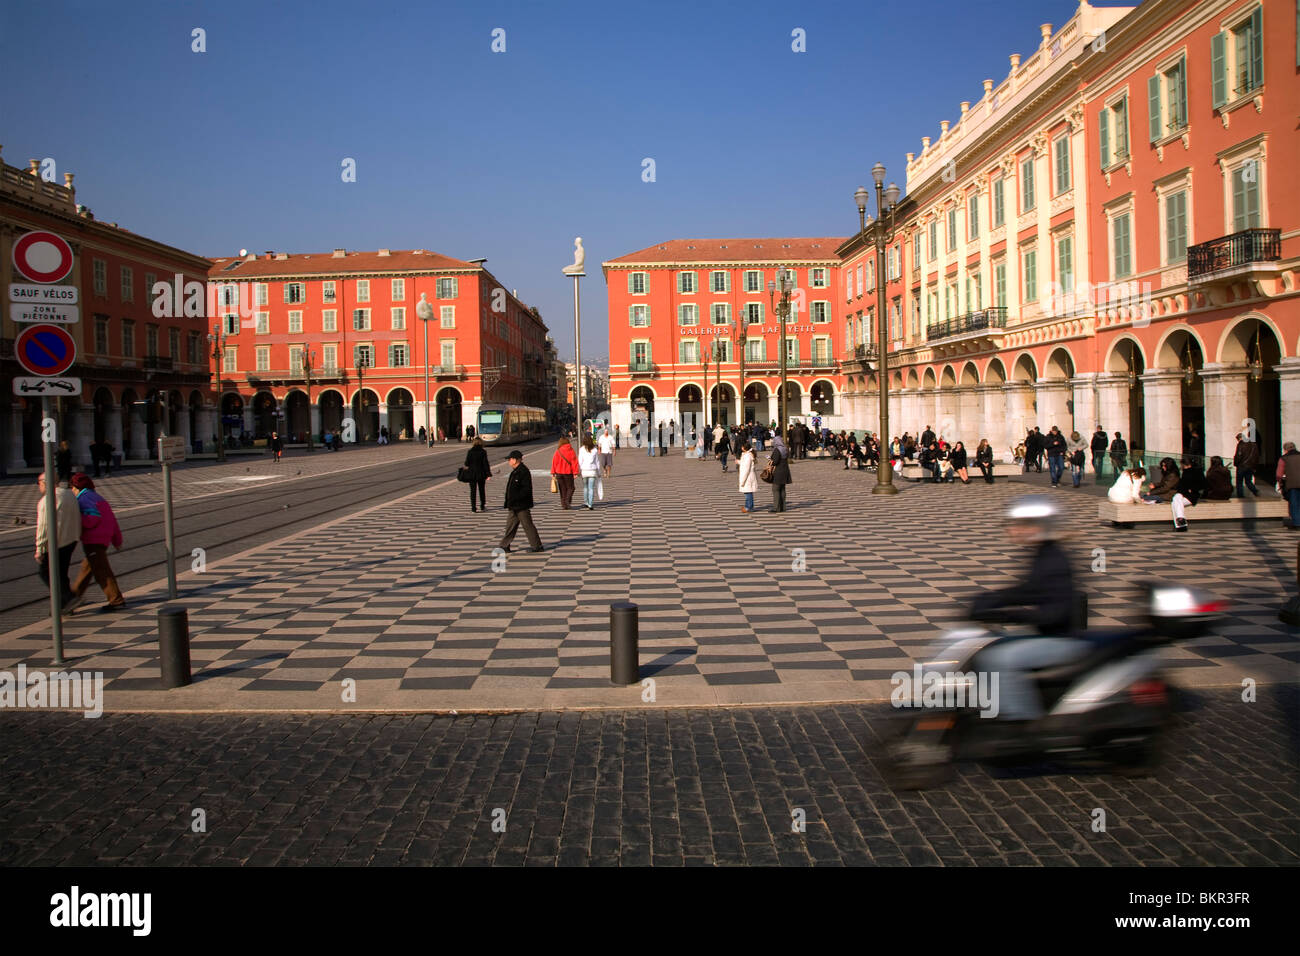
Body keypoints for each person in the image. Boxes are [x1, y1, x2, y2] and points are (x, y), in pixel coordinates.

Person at [969, 497, 1087, 725]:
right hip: (1048, 633)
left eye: (1018, 524)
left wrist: (1007, 614)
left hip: (1061, 639)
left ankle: (1023, 724)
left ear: (1037, 526)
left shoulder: (1054, 560)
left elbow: (1054, 613)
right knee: (984, 645)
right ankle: (990, 708)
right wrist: (990, 600)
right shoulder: (1043, 553)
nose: (1011, 529)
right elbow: (1028, 590)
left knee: (999, 659)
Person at [67, 474, 126, 612]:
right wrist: (117, 540)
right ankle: (72, 599)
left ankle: (116, 600)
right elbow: (112, 520)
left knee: (102, 571)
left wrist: (76, 521)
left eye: (72, 488)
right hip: (103, 539)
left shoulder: (83, 498)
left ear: (76, 487)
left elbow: (92, 517)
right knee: (87, 569)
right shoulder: (98, 497)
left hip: (94, 539)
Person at [34, 472, 80, 612]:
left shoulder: (47, 500)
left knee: (46, 572)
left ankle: (68, 598)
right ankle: (64, 605)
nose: (38, 487)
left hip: (56, 542)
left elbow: (43, 527)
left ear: (44, 483)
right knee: (61, 572)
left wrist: (40, 549)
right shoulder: (69, 494)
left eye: (39, 483)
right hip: (72, 539)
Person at [499, 450, 544, 553]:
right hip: (514, 505)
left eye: (509, 459)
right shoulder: (515, 471)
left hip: (521, 505)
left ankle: (537, 546)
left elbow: (526, 489)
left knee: (528, 525)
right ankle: (504, 545)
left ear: (515, 460)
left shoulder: (523, 471)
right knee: (510, 526)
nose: (508, 461)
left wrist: (517, 498)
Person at [1171, 456, 1206, 532]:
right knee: (1176, 499)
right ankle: (1180, 521)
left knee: (1175, 501)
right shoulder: (1195, 471)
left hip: (1191, 496)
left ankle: (1180, 524)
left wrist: (1192, 489)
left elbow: (1202, 485)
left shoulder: (1189, 473)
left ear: (1184, 464)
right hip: (1186, 495)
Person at [550, 435, 579, 510]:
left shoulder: (558, 451)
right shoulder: (571, 450)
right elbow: (574, 462)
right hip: (568, 473)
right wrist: (575, 473)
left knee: (562, 489)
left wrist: (553, 472)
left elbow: (554, 462)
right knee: (571, 488)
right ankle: (567, 501)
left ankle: (564, 504)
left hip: (559, 473)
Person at [464, 437, 491, 513]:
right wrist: (488, 474)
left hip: (472, 474)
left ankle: (473, 508)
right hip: (481, 474)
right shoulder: (483, 452)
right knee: (481, 490)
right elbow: (485, 464)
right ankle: (482, 506)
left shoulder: (470, 451)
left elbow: (466, 463)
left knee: (473, 491)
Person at [1278, 441, 1300, 529]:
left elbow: (1279, 474)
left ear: (1285, 450)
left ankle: (1297, 523)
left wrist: (1280, 482)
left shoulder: (1284, 458)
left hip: (1292, 484)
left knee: (1294, 504)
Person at [769, 432, 792, 513]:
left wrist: (770, 459)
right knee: (782, 489)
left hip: (778, 471)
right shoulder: (785, 448)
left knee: (775, 489)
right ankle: (783, 507)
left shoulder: (777, 450)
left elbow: (775, 461)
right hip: (785, 471)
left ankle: (776, 508)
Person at [1233, 431, 1259, 497]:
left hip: (1241, 466)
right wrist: (1255, 467)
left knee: (1239, 482)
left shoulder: (1240, 444)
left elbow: (1238, 455)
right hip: (1250, 466)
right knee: (1248, 481)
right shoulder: (1254, 445)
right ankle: (1255, 491)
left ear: (1239, 438)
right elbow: (1256, 456)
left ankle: (1240, 496)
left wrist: (1235, 463)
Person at [578, 437, 600, 510]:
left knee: (585, 487)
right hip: (592, 471)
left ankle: (586, 502)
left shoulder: (581, 449)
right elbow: (597, 462)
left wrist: (580, 470)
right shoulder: (595, 450)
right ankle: (590, 504)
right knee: (591, 488)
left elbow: (580, 461)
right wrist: (598, 472)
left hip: (584, 470)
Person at [738, 440, 758, 514]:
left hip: (748, 477)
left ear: (744, 448)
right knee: (748, 493)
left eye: (742, 446)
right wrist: (739, 462)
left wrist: (742, 481)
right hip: (749, 476)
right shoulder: (747, 455)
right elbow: (745, 464)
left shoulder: (747, 456)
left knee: (748, 493)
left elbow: (746, 468)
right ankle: (749, 506)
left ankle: (748, 507)